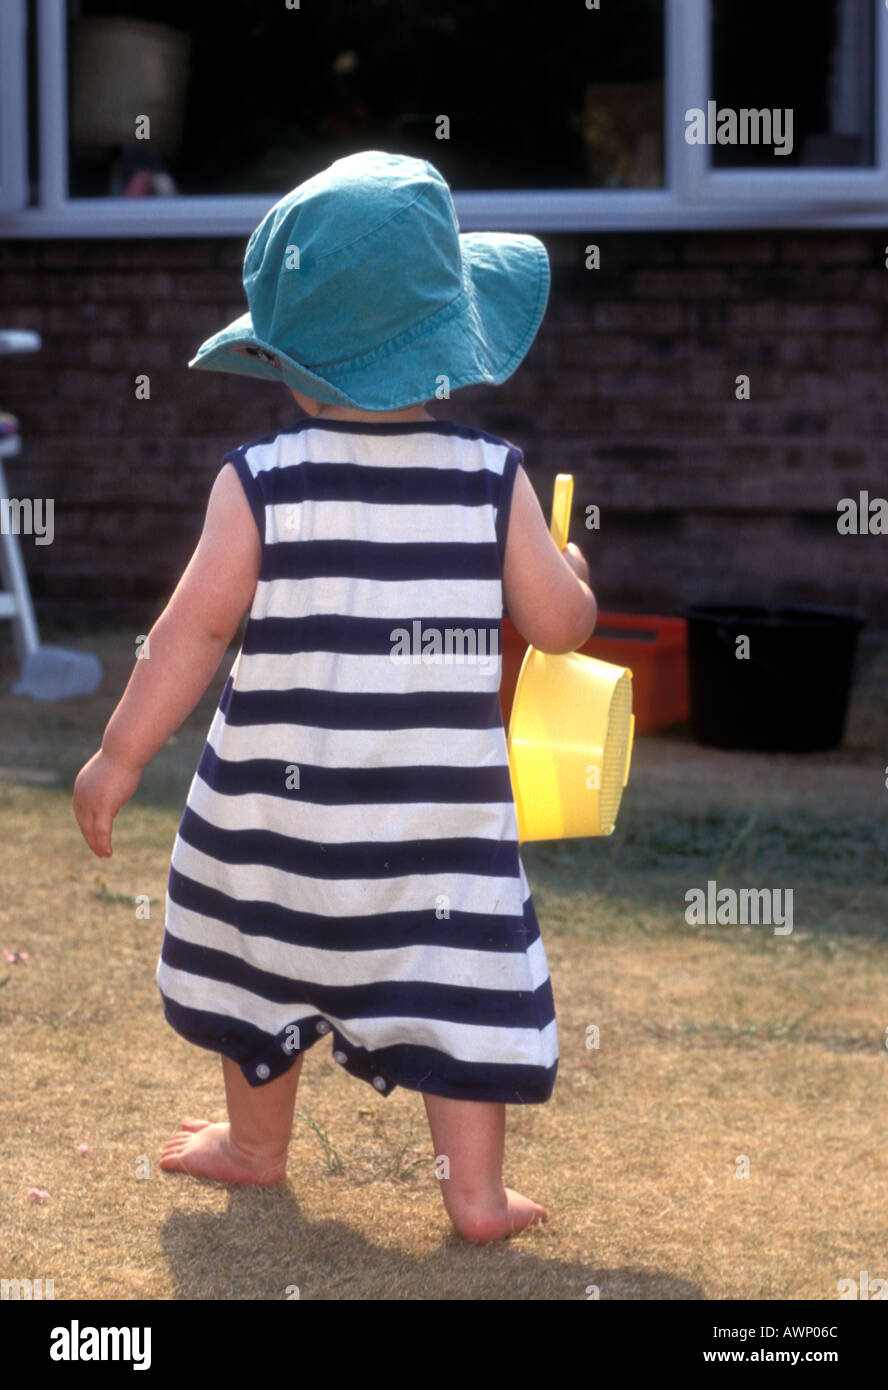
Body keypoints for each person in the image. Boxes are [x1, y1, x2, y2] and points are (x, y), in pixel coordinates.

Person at [72, 150, 596, 1243]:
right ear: (446, 349)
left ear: (288, 361)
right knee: (458, 985)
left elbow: (190, 633)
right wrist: (576, 576)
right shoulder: (491, 478)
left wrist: (120, 756)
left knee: (256, 967)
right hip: (432, 837)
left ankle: (255, 1147)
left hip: (277, 825)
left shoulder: (259, 481)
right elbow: (559, 627)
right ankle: (476, 1194)